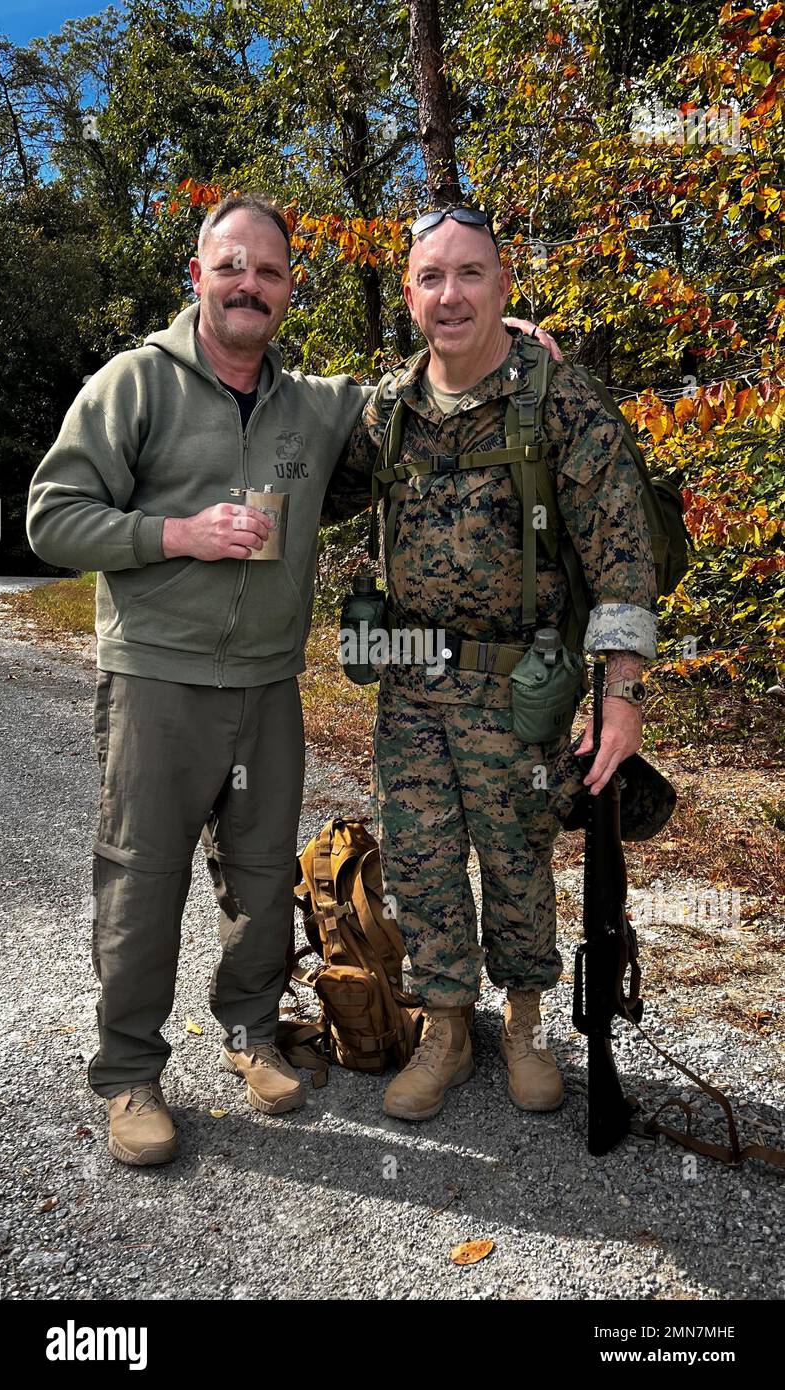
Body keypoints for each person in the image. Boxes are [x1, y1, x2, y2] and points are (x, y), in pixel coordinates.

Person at [26, 192, 555, 1165]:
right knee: (142, 882)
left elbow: (415, 399)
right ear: (199, 275)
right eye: (231, 266)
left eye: (268, 273)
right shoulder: (135, 384)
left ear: (288, 291)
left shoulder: (313, 403)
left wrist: (492, 341)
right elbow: (49, 517)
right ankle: (130, 1076)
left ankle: (250, 1036)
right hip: (158, 680)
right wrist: (171, 533)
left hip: (268, 686)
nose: (248, 286)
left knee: (264, 881)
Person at [322, 206, 657, 1122]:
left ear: (504, 287)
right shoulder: (387, 410)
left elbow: (619, 549)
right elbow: (311, 478)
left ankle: (522, 1022)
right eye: (431, 278)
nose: (451, 295)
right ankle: (446, 1029)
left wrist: (621, 691)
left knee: (517, 857)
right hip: (410, 680)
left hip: (522, 686)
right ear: (408, 295)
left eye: (470, 274)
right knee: (424, 859)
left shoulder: (556, 397)